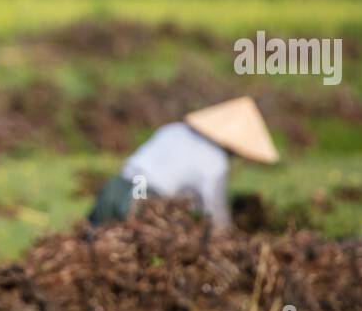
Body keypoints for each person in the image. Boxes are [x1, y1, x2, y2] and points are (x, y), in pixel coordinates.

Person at [87, 96, 279, 230]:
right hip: (142, 198)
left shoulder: (175, 129)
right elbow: (213, 209)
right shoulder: (215, 161)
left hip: (114, 188)